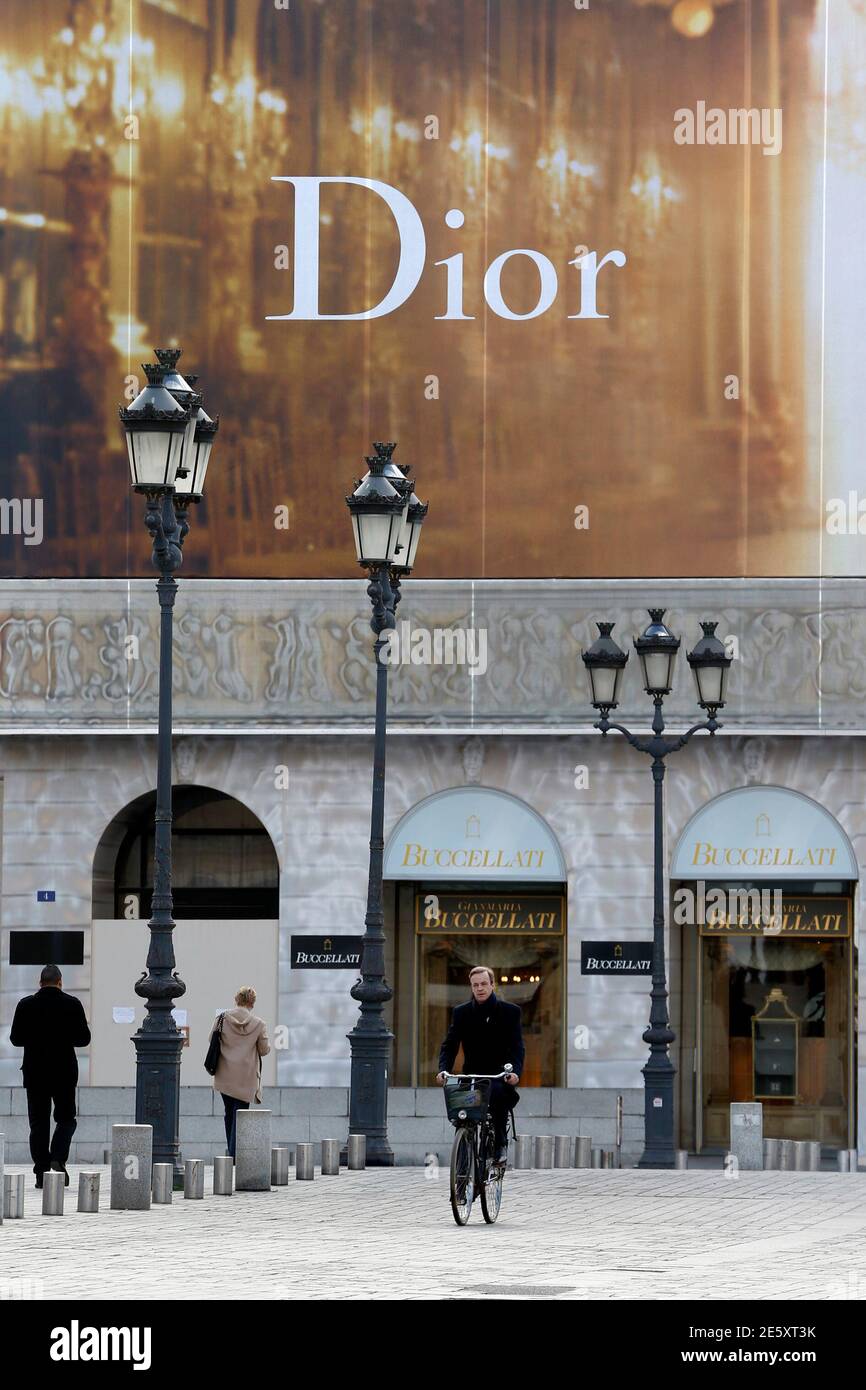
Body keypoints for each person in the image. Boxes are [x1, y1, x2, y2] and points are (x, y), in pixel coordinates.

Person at [10, 964, 91, 1188]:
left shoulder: (26, 1004)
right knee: (66, 1119)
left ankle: (41, 1172)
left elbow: (15, 1039)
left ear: (40, 982)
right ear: (60, 982)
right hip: (64, 1073)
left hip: (35, 1073)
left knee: (38, 1123)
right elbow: (83, 1039)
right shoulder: (72, 1004)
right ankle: (58, 1157)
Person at [436, 965, 524, 1163]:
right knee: (461, 1112)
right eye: (475, 985)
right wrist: (443, 1070)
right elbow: (450, 1045)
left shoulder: (510, 1012)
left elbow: (517, 1047)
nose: (480, 988)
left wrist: (515, 1073)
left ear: (492, 985)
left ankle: (500, 1144)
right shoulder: (461, 1012)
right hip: (471, 1075)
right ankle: (462, 1160)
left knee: (499, 1096)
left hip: (498, 1075)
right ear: (471, 987)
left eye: (484, 984)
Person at [210, 986, 271, 1158]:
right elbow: (264, 1050)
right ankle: (235, 1155)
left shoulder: (222, 1019)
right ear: (252, 1002)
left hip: (225, 1075)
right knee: (241, 1115)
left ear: (236, 999)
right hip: (246, 1078)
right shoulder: (259, 1024)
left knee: (229, 1112)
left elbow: (211, 1040)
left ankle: (231, 1153)